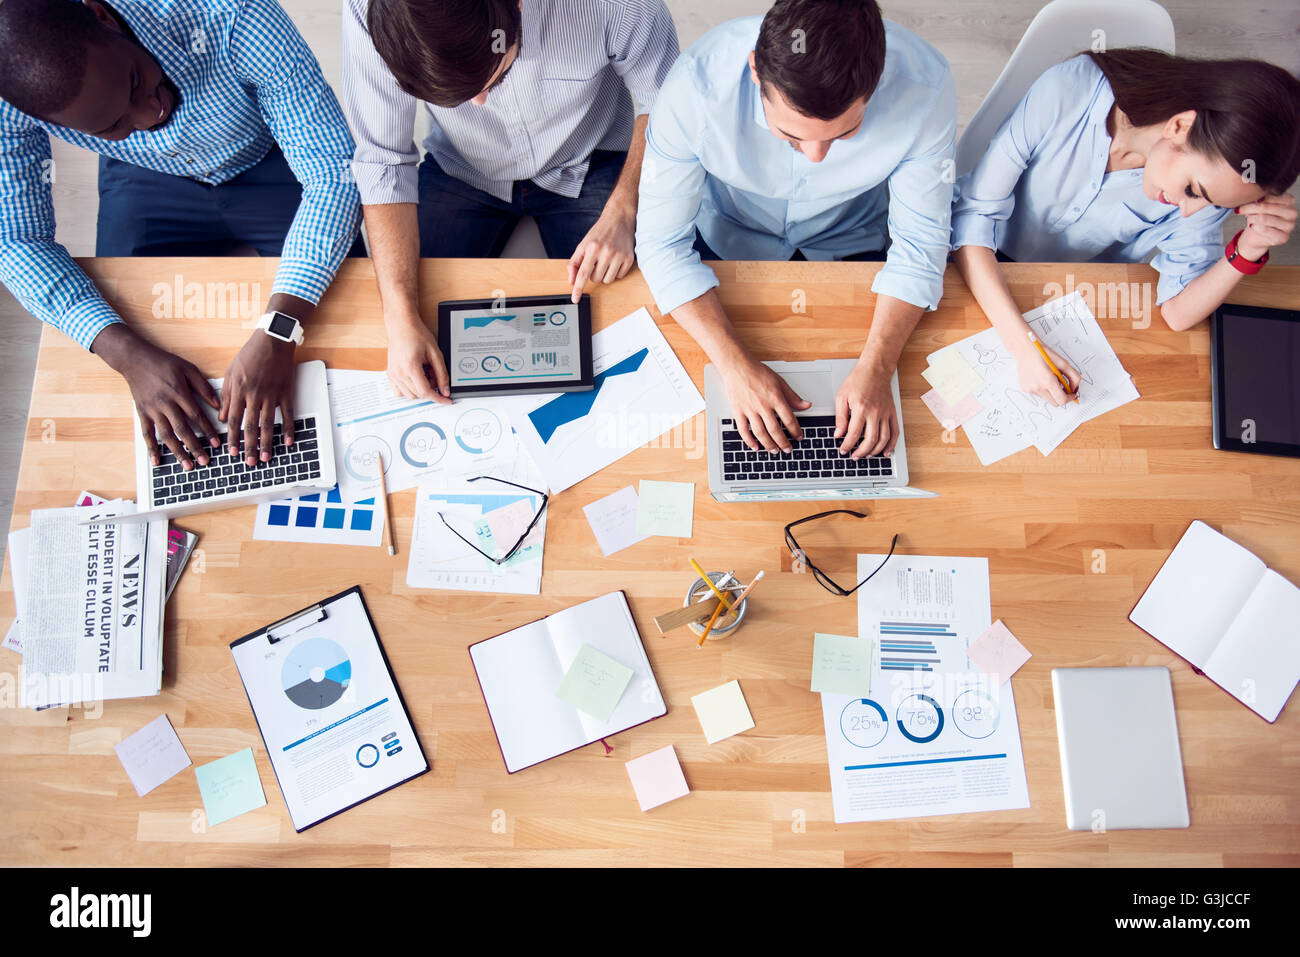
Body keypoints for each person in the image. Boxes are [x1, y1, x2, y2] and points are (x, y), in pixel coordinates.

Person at [0, 0, 362, 469]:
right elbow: (17, 241)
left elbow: (334, 174)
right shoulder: (9, 102)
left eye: (134, 81)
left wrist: (279, 329)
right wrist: (124, 354)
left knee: (353, 310)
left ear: (102, 15)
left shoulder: (235, 15)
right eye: (112, 126)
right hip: (146, 181)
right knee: (122, 365)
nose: (151, 114)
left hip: (270, 160)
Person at [634, 0, 955, 458]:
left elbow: (922, 243)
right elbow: (662, 243)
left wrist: (879, 366)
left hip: (853, 240)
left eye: (845, 133)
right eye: (790, 135)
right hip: (730, 237)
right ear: (754, 72)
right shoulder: (692, 88)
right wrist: (733, 367)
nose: (816, 157)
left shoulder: (926, 86)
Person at [343, 0, 679, 402]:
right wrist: (399, 320)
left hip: (588, 157)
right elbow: (385, 159)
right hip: (461, 168)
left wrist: (625, 209)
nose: (479, 104)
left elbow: (666, 105)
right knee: (404, 325)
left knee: (637, 334)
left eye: (493, 80)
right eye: (460, 96)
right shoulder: (372, 11)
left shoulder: (617, 6)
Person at [952, 50, 1300, 406]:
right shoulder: (1069, 90)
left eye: (1213, 204)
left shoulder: (1205, 197)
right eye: (1194, 191)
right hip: (972, 258)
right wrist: (1026, 347)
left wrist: (1247, 251)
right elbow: (971, 220)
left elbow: (1178, 313)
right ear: (1179, 126)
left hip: (1063, 290)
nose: (1190, 212)